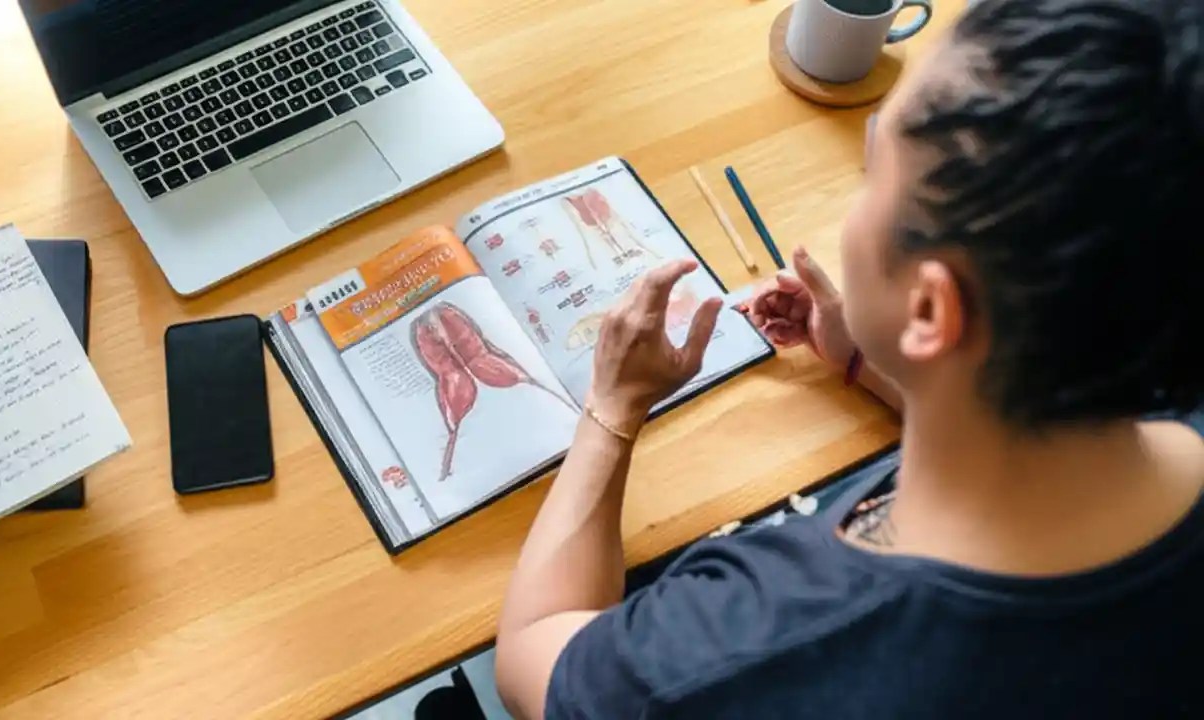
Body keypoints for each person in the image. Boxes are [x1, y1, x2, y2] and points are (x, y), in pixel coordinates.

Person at [493, 0, 1204, 717]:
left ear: (931, 310)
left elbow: (531, 657)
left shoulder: (742, 647)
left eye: (873, 171)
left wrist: (613, 403)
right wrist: (879, 364)